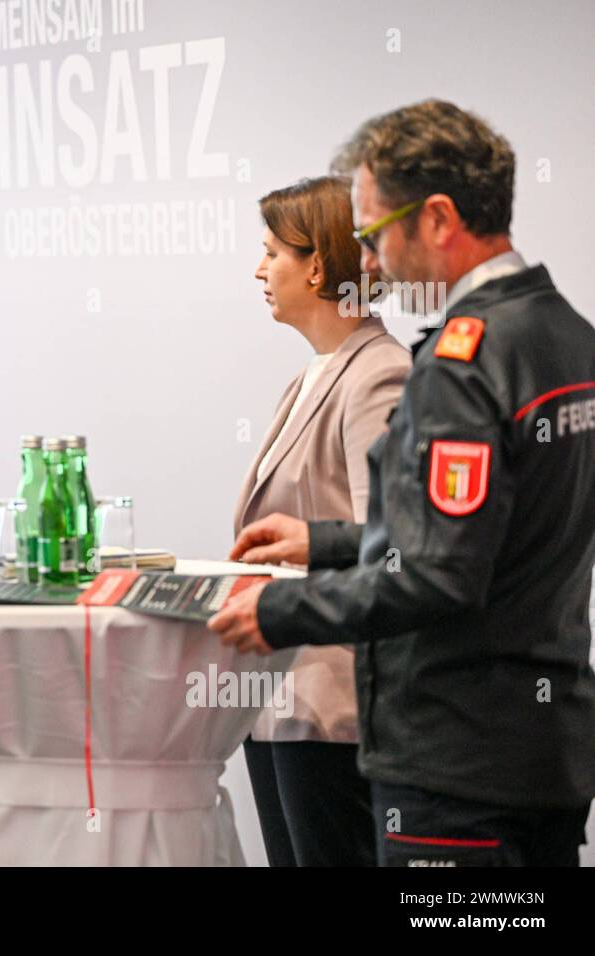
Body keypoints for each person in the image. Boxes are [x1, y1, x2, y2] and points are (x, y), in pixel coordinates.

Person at [211, 100, 595, 866]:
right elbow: (484, 531)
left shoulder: (463, 362)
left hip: (454, 762)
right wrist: (323, 540)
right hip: (541, 753)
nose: (373, 262)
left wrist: (282, 610)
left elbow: (435, 575)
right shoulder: (566, 335)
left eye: (378, 231)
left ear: (440, 218)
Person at [236, 176, 410, 866]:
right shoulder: (313, 375)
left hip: (336, 707)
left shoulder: (379, 375)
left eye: (272, 252)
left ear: (316, 265)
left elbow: (391, 545)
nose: (259, 269)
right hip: (281, 693)